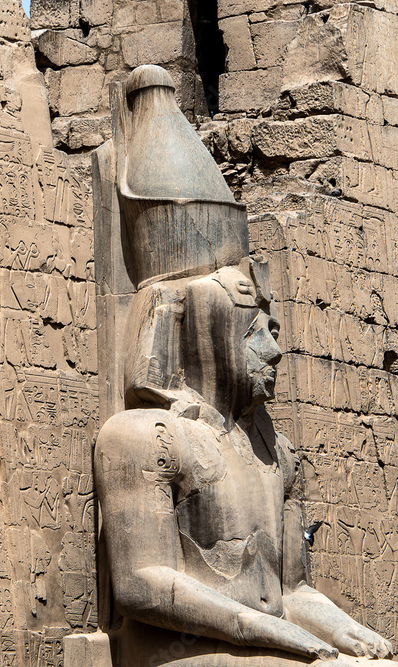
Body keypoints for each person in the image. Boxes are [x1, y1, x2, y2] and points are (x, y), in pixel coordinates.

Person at [95, 262, 396, 667]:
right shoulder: (144, 435)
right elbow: (141, 585)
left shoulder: (279, 452)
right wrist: (258, 627)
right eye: (255, 335)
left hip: (264, 638)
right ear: (214, 342)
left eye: (273, 334)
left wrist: (343, 629)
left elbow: (293, 590)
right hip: (175, 647)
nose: (274, 352)